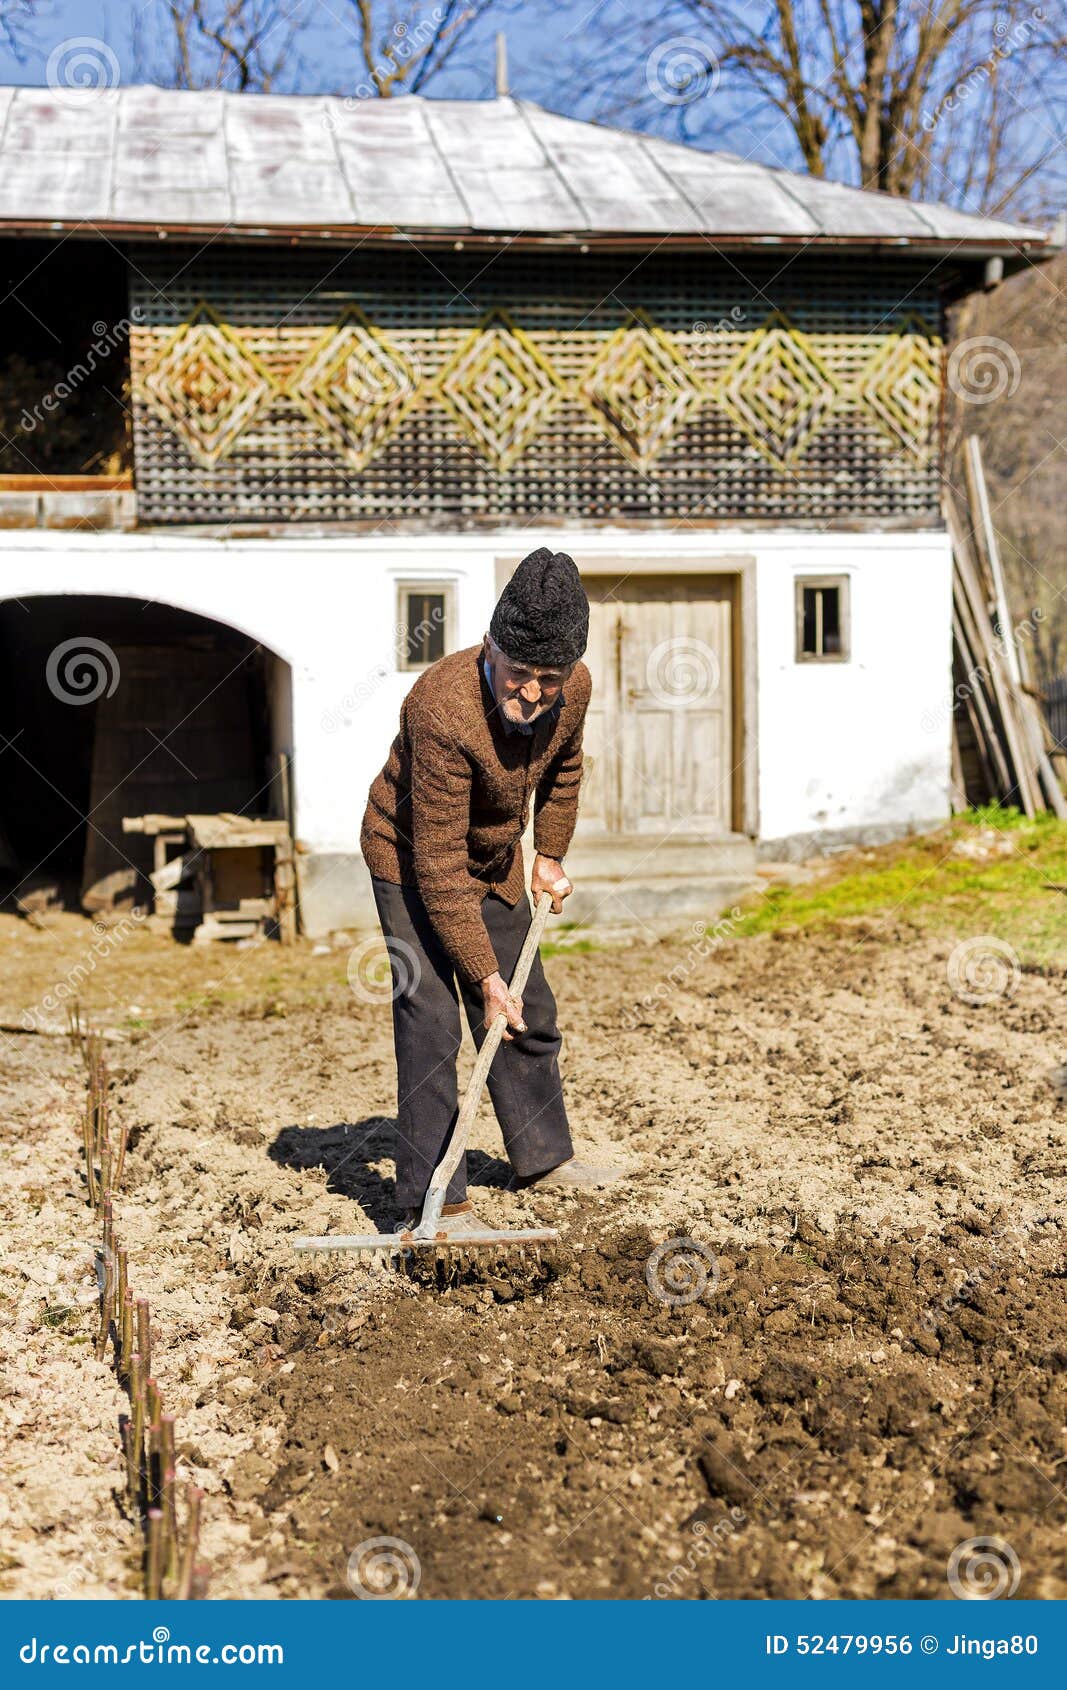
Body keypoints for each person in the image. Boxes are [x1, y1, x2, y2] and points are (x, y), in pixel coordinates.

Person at [360, 546, 623, 1233]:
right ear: (488, 648)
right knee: (431, 1025)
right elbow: (440, 865)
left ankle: (543, 1157)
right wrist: (482, 976)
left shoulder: (575, 689)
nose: (533, 696)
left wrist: (549, 854)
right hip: (410, 854)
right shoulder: (440, 709)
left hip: (494, 852)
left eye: (549, 678)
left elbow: (562, 769)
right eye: (517, 675)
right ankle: (436, 1200)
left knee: (527, 1006)